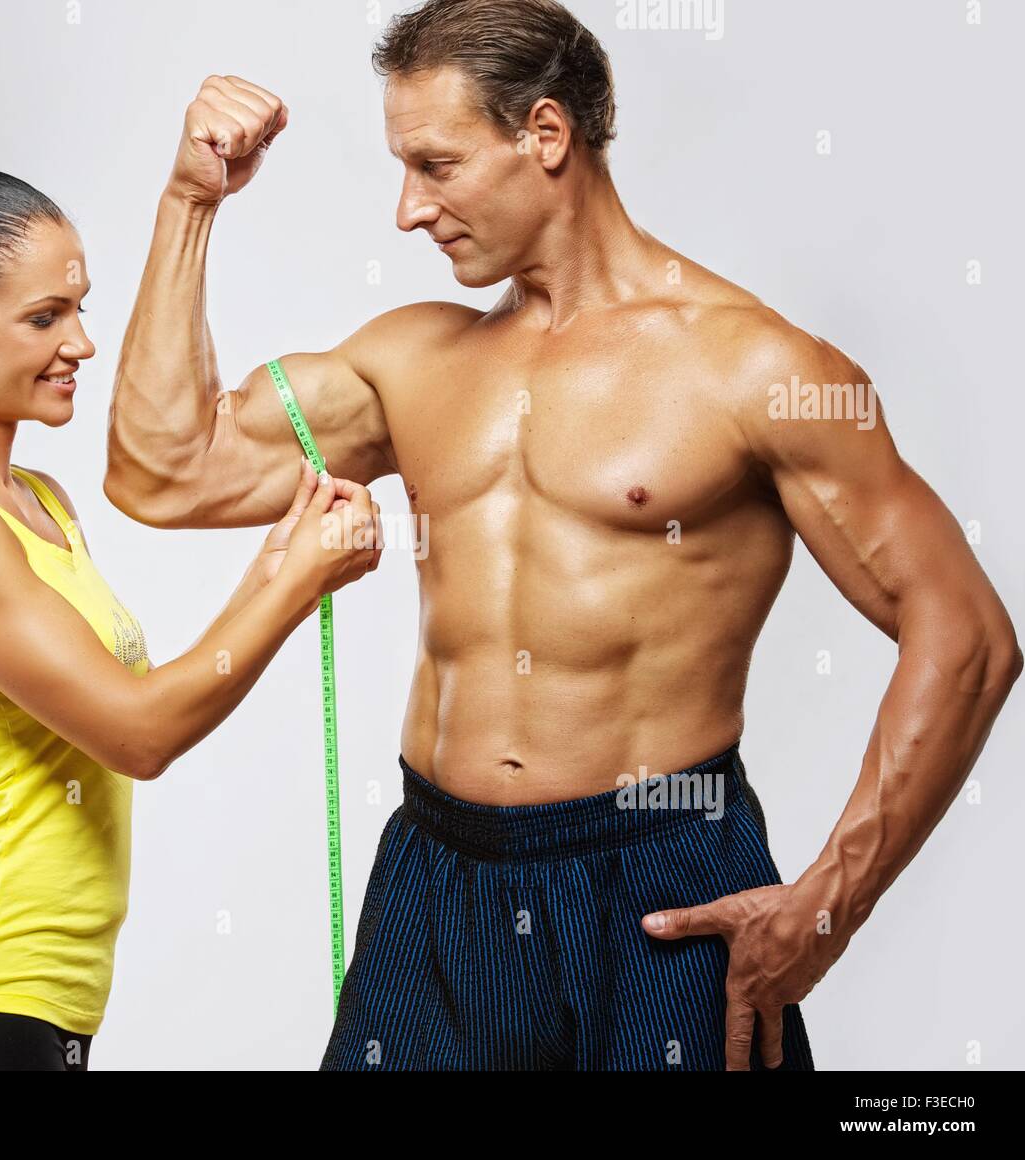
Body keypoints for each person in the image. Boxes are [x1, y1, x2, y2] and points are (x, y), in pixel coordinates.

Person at [103, 2, 1022, 1070]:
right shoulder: (412, 361)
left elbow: (964, 635)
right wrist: (187, 204)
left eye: (435, 164)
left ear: (545, 135)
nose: (408, 210)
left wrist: (824, 906)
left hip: (658, 885)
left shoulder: (754, 369)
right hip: (434, 878)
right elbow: (160, 472)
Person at [0, 166, 381, 1071]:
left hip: (41, 1016)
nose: (81, 341)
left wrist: (277, 563)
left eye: (78, 308)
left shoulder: (38, 500)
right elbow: (140, 736)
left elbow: (128, 697)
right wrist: (296, 584)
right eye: (44, 318)